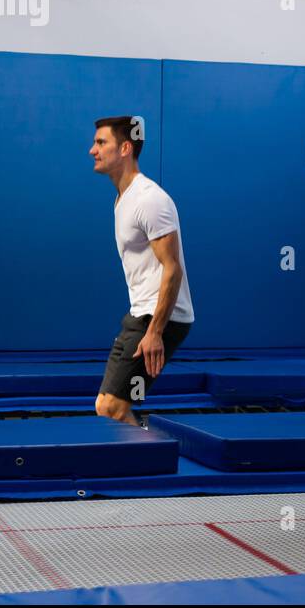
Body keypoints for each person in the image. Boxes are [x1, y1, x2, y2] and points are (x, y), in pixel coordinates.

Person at [90, 116, 194, 427]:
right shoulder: (123, 198)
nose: (92, 150)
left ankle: (157, 456)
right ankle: (146, 447)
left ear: (125, 148)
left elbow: (172, 269)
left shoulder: (149, 199)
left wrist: (155, 332)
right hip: (140, 313)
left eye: (101, 143)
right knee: (105, 405)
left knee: (113, 407)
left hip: (162, 318)